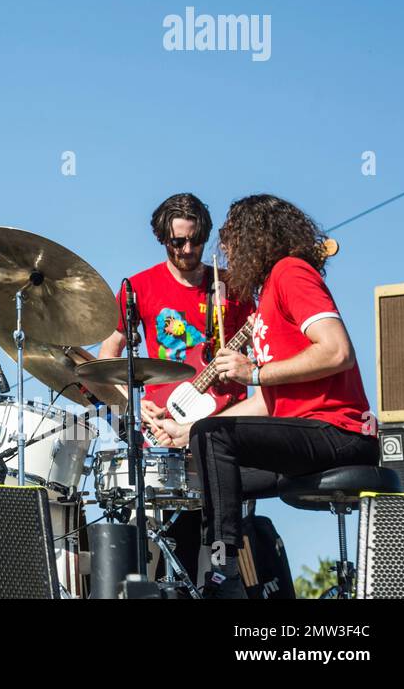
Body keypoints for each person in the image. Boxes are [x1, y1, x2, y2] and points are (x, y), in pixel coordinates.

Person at [151, 195, 378, 598]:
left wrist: (250, 371)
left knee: (212, 437)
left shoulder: (291, 273)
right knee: (202, 466)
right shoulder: (268, 298)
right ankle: (208, 582)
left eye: (232, 241)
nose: (228, 252)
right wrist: (187, 431)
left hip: (339, 432)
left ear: (256, 238)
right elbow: (269, 403)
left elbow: (338, 350)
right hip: (306, 435)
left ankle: (225, 575)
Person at [93, 192, 255, 585]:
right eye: (177, 242)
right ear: (162, 238)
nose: (187, 250)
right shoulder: (139, 287)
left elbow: (265, 352)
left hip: (222, 435)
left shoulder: (234, 287)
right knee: (143, 545)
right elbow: (107, 360)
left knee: (218, 561)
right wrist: (129, 410)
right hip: (161, 436)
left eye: (195, 240)